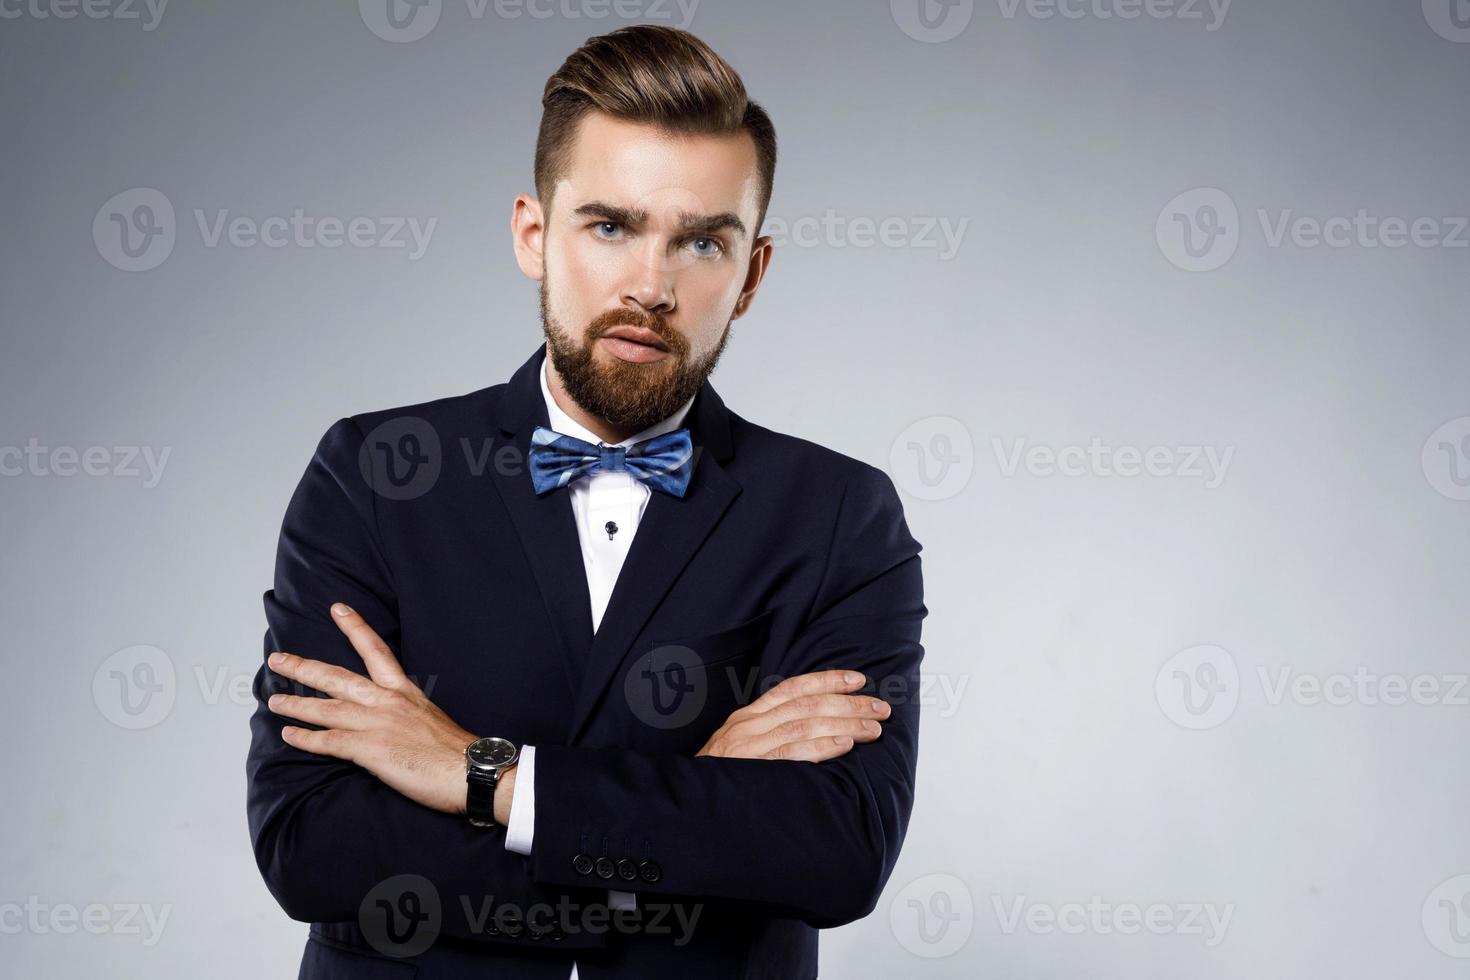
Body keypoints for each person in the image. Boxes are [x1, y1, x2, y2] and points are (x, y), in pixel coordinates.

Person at [246, 24, 927, 979]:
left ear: (752, 276)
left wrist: (485, 780)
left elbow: (839, 853)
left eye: (700, 242)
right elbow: (310, 842)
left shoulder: (841, 516)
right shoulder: (373, 473)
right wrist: (701, 806)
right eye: (610, 226)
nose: (650, 286)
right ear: (534, 234)